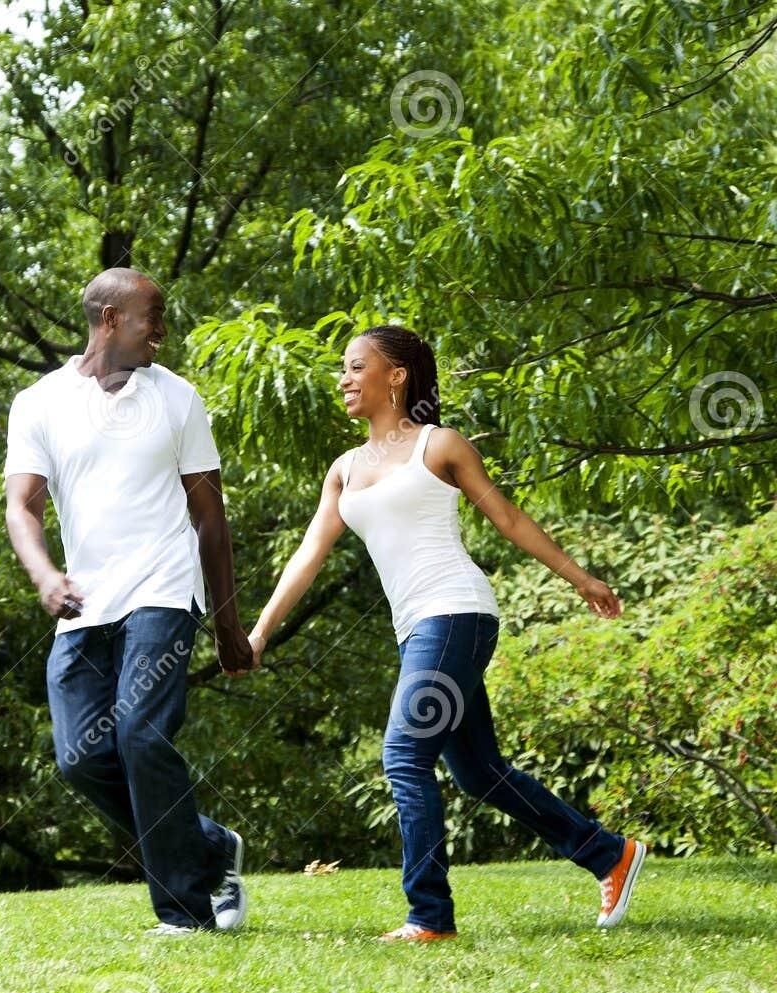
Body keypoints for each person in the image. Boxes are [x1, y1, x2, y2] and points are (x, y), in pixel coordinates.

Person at [245, 324, 647, 941]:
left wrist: (580, 577)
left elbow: (507, 517)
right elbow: (309, 553)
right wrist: (261, 632)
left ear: (396, 376)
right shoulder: (345, 469)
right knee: (478, 772)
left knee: (405, 755)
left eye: (357, 367)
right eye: (344, 369)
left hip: (456, 612)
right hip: (418, 628)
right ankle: (607, 854)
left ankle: (428, 915)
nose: (345, 379)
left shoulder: (440, 445)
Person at [4, 268, 253, 935]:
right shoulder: (39, 402)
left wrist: (228, 624)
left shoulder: (178, 399)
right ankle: (206, 846)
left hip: (165, 591)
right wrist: (44, 576)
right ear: (109, 318)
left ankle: (185, 913)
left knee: (140, 731)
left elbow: (211, 519)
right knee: (80, 757)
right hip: (86, 600)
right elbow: (21, 508)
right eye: (154, 316)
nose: (163, 329)